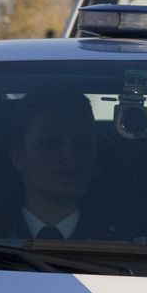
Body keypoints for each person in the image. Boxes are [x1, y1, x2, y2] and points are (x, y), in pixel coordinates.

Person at [8, 92, 103, 240]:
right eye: (50, 143)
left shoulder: (133, 241)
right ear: (18, 159)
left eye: (82, 144)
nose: (69, 154)